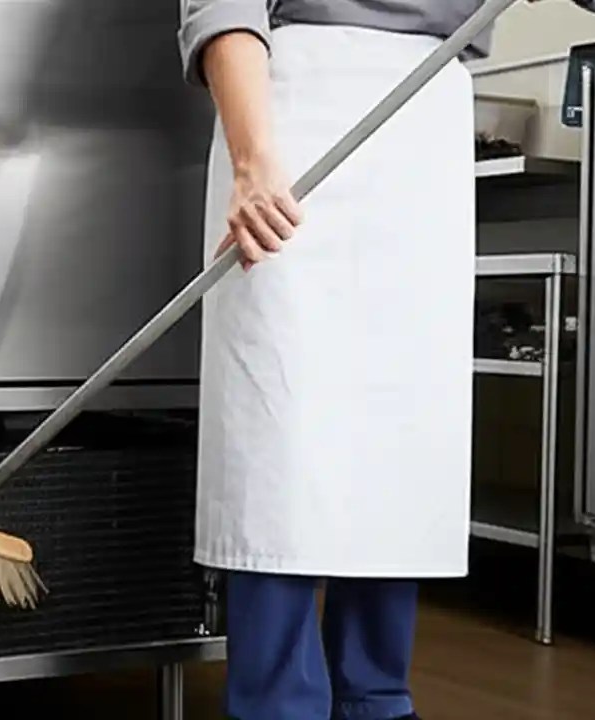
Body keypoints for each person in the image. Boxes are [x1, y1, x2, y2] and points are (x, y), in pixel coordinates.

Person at [178, 2, 489, 719]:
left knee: (399, 424)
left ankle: (377, 698)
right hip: (288, 108)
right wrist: (254, 160)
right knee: (278, 433)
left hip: (425, 113)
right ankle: (276, 703)